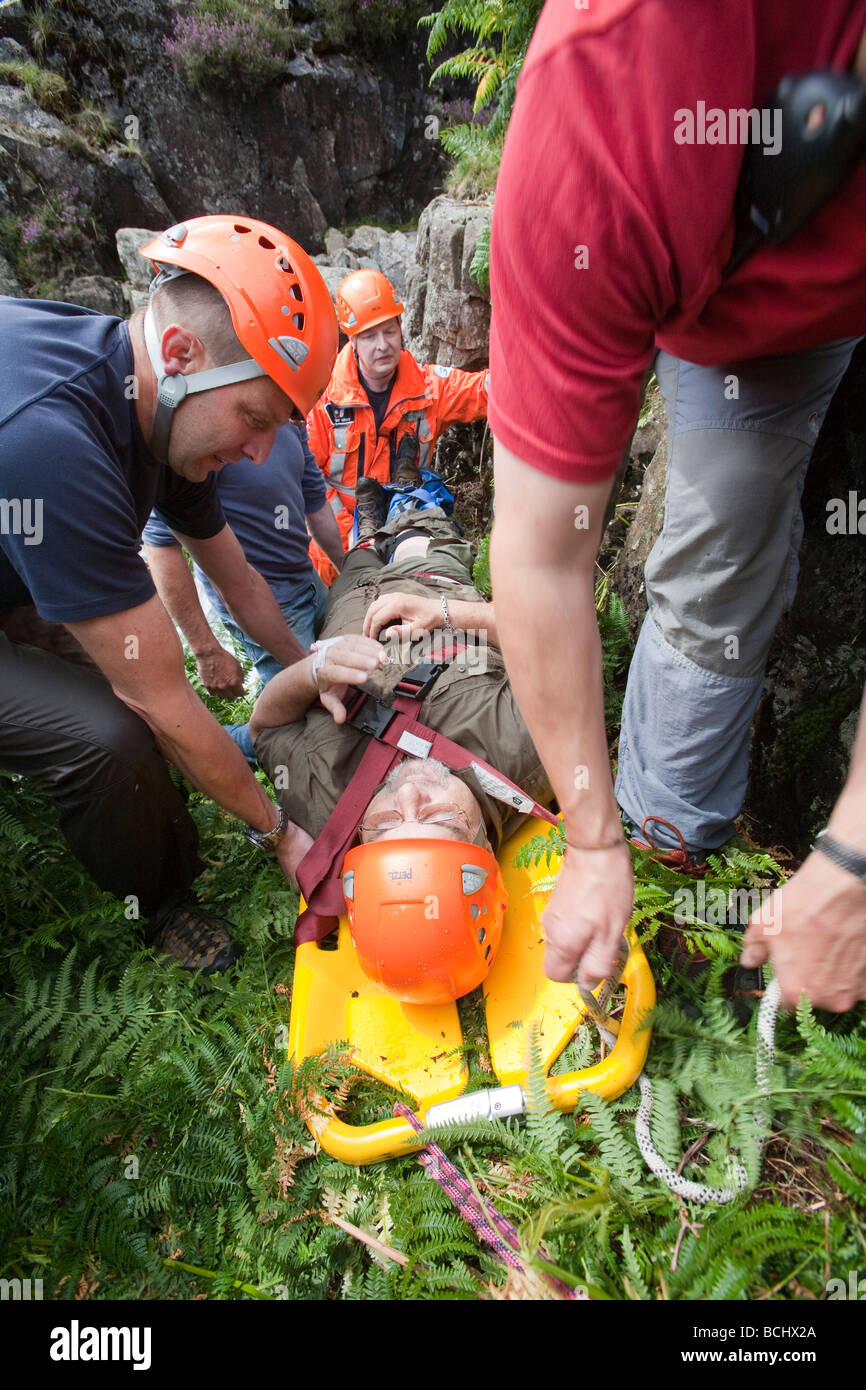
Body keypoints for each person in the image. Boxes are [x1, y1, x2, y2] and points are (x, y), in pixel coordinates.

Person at [487, 0, 866, 1012]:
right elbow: (538, 555)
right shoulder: (592, 144)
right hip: (736, 317)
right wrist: (591, 836)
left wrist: (854, 853)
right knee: (720, 554)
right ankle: (668, 846)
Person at [0, 214, 338, 972]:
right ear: (182, 352)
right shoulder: (51, 437)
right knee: (111, 736)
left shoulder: (158, 410)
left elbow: (239, 580)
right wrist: (282, 833)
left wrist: (313, 669)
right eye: (254, 420)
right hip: (21, 539)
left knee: (133, 708)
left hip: (17, 556)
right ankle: (161, 907)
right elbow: (164, 698)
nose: (258, 456)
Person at [248, 503, 551, 904]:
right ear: (483, 840)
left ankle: (370, 529)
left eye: (386, 823)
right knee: (418, 522)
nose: (409, 796)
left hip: (349, 597)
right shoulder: (526, 751)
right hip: (429, 579)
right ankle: (409, 504)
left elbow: (266, 727)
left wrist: (312, 674)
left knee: (360, 550)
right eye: (440, 817)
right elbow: (556, 632)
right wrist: (444, 613)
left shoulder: (323, 809)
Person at [142, 419, 346, 761]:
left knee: (332, 684)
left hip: (307, 580)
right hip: (259, 607)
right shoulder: (211, 436)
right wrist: (206, 650)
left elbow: (314, 502)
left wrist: (349, 569)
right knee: (300, 716)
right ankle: (199, 747)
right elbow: (161, 548)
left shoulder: (289, 419)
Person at [305, 268, 490, 581]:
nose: (382, 345)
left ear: (401, 330)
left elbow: (482, 390)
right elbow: (302, 478)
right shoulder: (323, 401)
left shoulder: (427, 388)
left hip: (410, 523)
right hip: (341, 540)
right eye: (369, 335)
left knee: (426, 575)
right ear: (351, 340)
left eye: (389, 331)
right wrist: (350, 533)